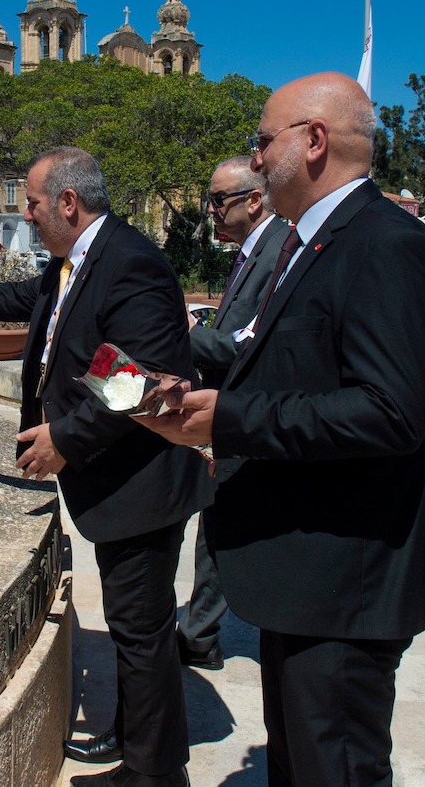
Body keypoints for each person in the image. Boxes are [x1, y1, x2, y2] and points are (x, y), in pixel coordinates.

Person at [135, 73, 425, 787]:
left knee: (335, 768)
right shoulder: (310, 244)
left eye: (263, 141)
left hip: (349, 585)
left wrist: (229, 419)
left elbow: (390, 411)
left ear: (314, 140)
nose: (254, 160)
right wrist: (203, 396)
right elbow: (297, 372)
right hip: (306, 576)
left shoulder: (387, 244)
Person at [0, 147, 206, 787]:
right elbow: (20, 298)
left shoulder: (133, 265)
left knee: (141, 634)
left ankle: (155, 774)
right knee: (133, 630)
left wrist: (66, 437)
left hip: (140, 480)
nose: (28, 217)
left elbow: (137, 377)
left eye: (33, 204)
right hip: (116, 474)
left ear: (68, 202)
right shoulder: (74, 261)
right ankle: (140, 743)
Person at [175, 156, 289, 671]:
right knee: (223, 525)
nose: (211, 211)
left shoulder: (278, 250)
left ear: (254, 199)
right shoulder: (254, 250)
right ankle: (202, 631)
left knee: (222, 526)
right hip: (236, 415)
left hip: (249, 415)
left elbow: (251, 346)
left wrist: (190, 334)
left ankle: (199, 634)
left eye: (219, 200)